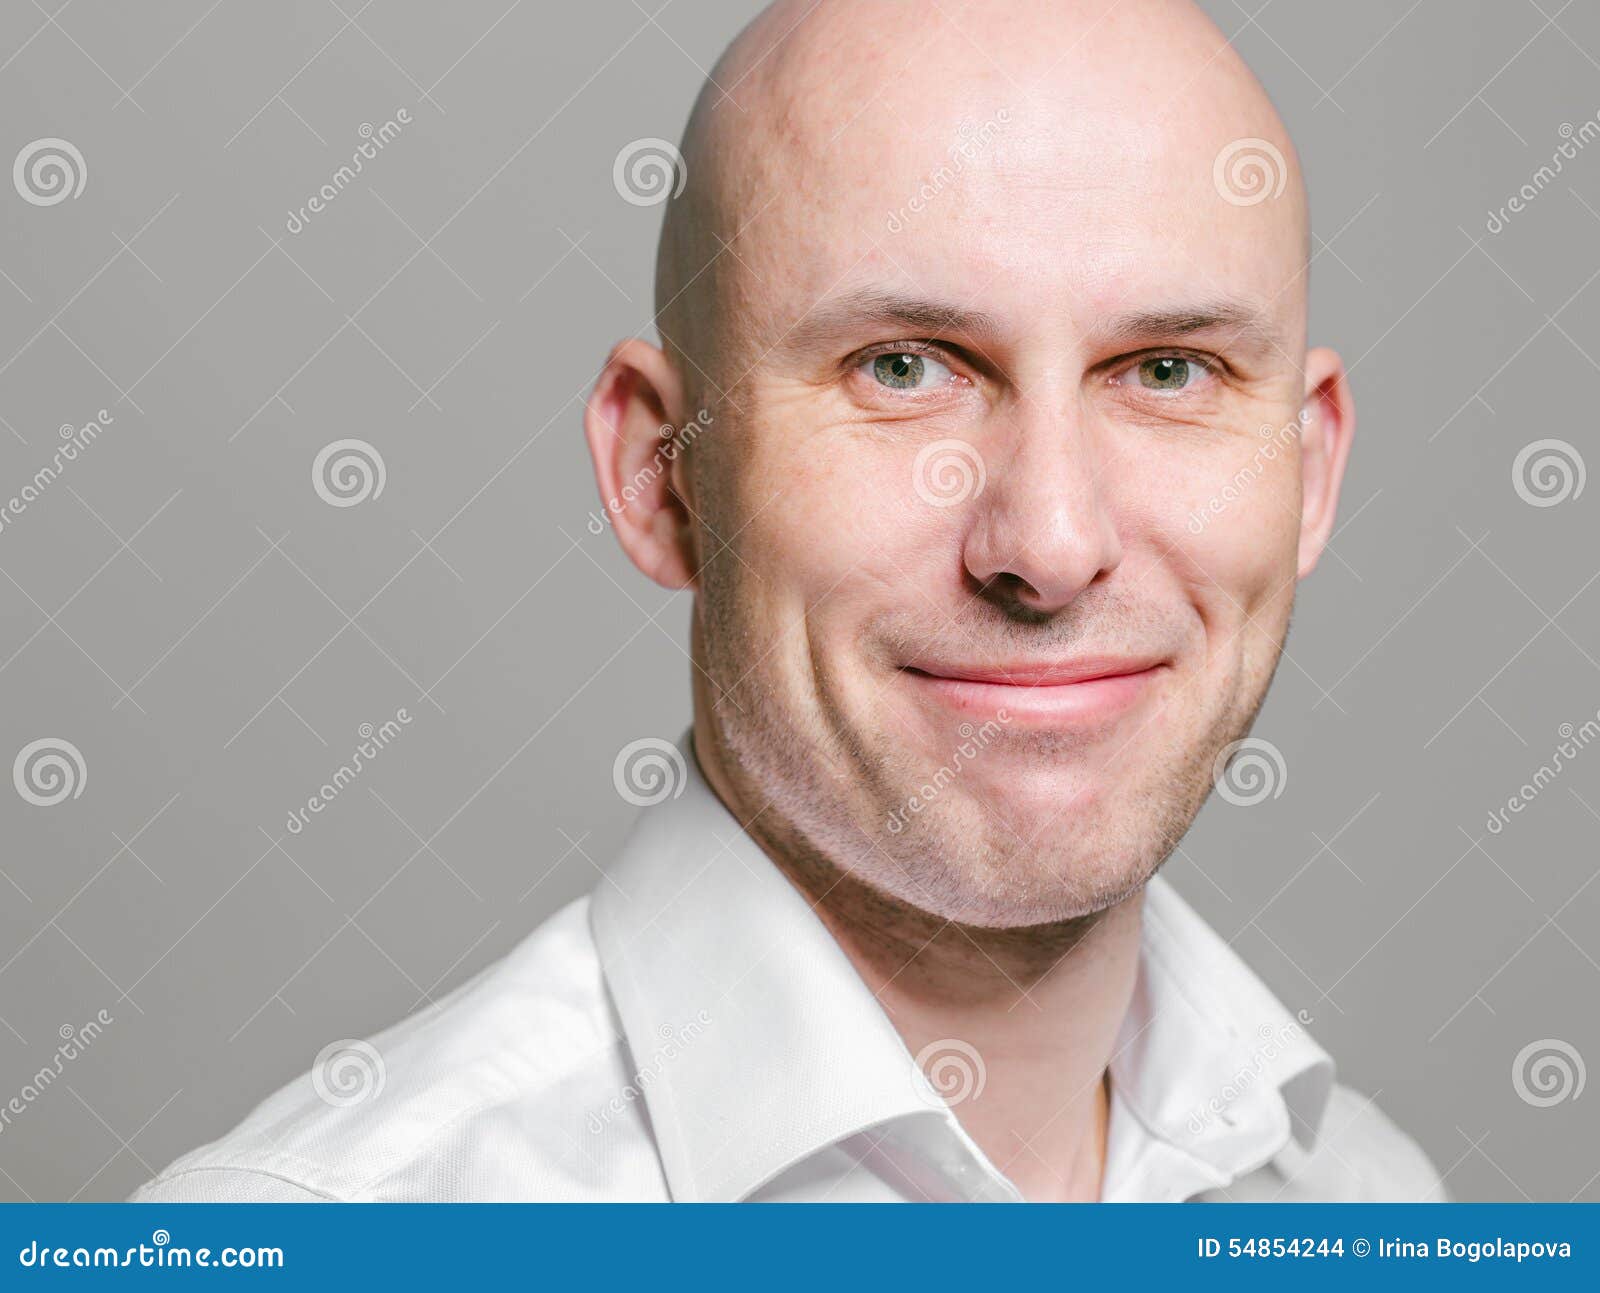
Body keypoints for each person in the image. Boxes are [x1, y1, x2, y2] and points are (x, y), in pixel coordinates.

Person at [132, 0, 1442, 1203]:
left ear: (1309, 468)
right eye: (904, 365)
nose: (1049, 542)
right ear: (663, 475)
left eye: (1165, 368)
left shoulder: (1365, 1200)